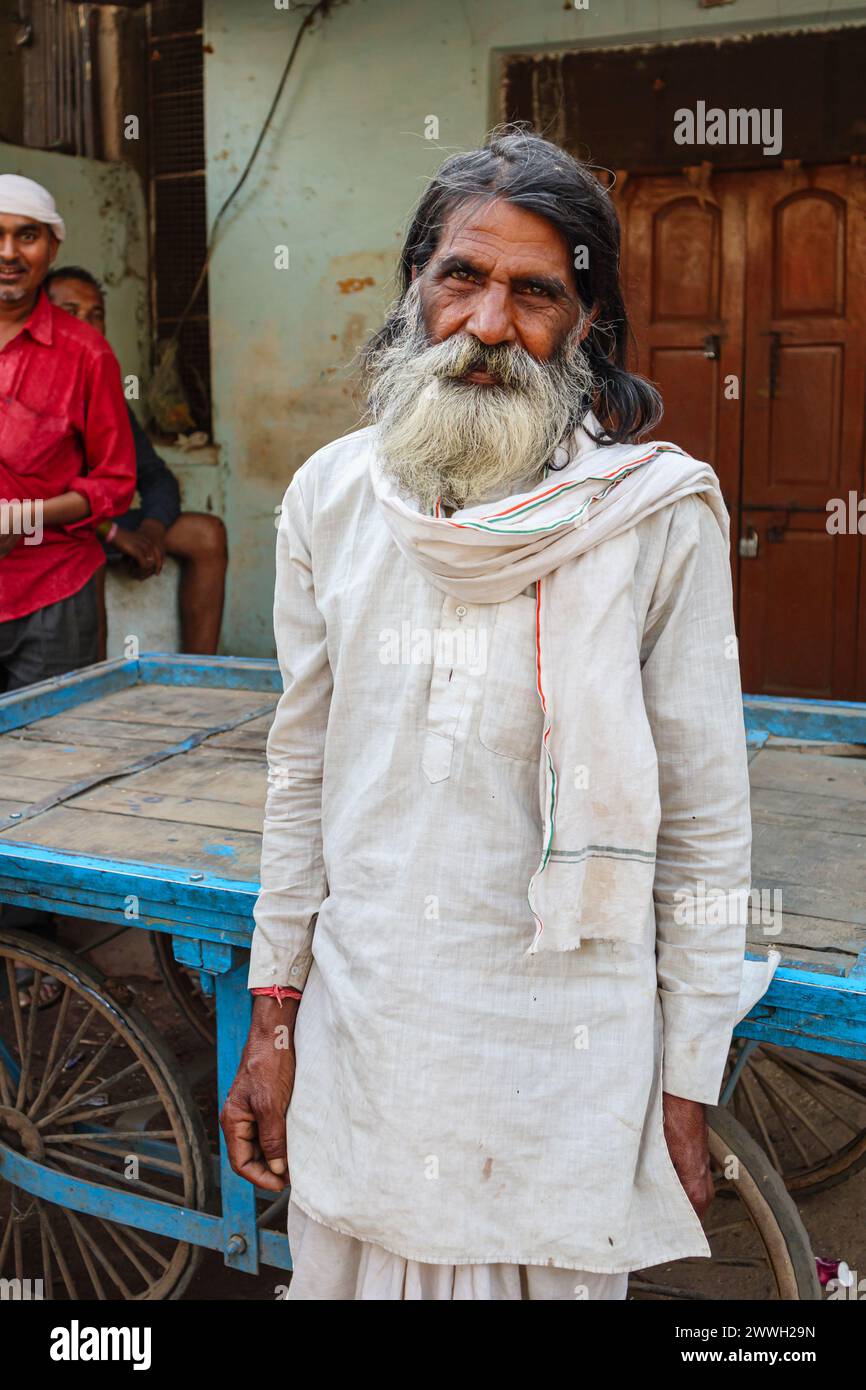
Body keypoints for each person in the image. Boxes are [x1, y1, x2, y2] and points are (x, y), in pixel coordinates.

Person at [220, 129, 777, 1301]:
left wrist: (685, 1081)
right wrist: (271, 1021)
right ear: (412, 291)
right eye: (459, 279)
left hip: (564, 1051)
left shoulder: (650, 516)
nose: (486, 325)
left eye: (535, 294)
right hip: (367, 1031)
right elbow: (301, 769)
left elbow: (703, 820)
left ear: (587, 324)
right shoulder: (331, 496)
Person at [0, 175, 136, 1007]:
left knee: (45, 771)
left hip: (53, 586)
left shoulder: (85, 354)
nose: (6, 253)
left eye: (25, 236)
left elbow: (114, 484)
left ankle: (34, 954)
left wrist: (21, 517)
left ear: (50, 249)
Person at [43, 266, 228, 656]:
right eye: (72, 312)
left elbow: (155, 475)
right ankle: (92, 686)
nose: (88, 325)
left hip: (107, 523)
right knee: (83, 556)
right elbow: (37, 497)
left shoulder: (102, 393)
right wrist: (111, 534)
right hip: (50, 530)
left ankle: (199, 671)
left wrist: (152, 530)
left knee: (207, 532)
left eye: (96, 314)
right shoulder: (26, 387)